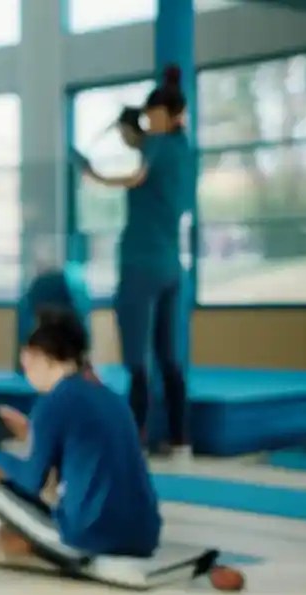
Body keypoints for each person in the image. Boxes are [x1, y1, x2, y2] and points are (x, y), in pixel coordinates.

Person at [0, 310, 162, 565]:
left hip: (90, 537)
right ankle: (21, 538)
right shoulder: (110, 397)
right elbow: (80, 445)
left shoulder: (52, 402)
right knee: (54, 485)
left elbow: (32, 481)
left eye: (26, 365)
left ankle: (24, 542)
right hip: (145, 536)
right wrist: (29, 430)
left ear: (39, 357)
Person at [82, 65, 192, 457]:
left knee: (135, 358)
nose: (149, 124)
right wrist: (133, 134)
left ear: (166, 115)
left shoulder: (157, 144)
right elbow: (144, 154)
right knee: (168, 356)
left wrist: (96, 177)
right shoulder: (181, 147)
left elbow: (137, 175)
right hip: (171, 267)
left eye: (151, 117)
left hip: (141, 266)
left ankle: (134, 439)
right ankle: (180, 439)